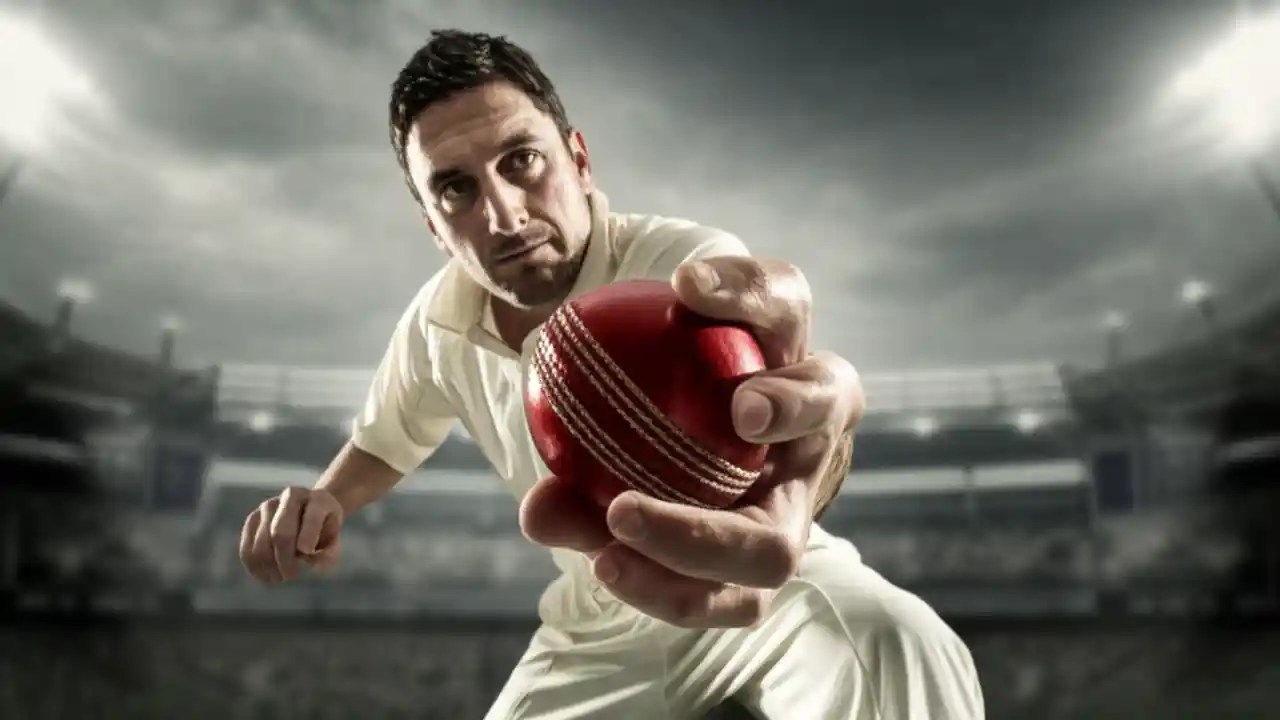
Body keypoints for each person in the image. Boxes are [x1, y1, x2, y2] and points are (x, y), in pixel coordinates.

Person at [239, 29, 984, 719]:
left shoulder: (682, 271)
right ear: (435, 227)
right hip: (594, 618)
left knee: (900, 640)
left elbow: (798, 424)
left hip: (753, 586)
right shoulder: (438, 323)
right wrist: (325, 501)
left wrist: (820, 459)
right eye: (456, 189)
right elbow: (386, 439)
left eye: (521, 160)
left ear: (580, 159)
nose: (502, 214)